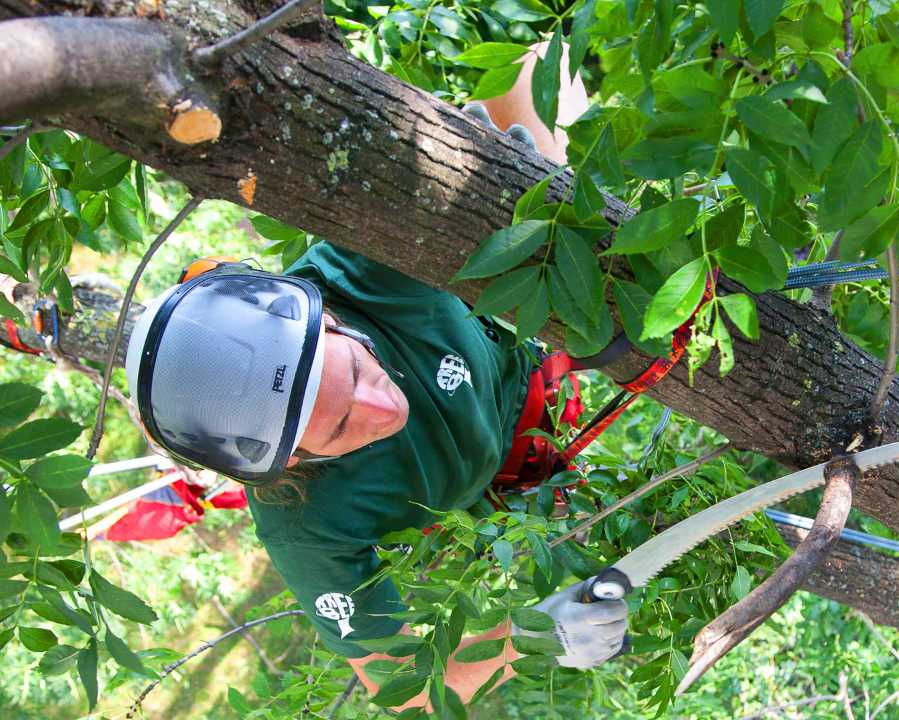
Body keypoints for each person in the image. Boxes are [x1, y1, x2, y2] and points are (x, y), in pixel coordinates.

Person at [123, 44, 627, 708]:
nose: (381, 409)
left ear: (329, 315)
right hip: (514, 479)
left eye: (359, 367)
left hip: (531, 366)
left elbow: (463, 170)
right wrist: (533, 636)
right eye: (340, 427)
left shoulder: (358, 266)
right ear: (294, 462)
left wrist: (502, 178)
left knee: (538, 91)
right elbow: (403, 689)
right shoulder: (305, 526)